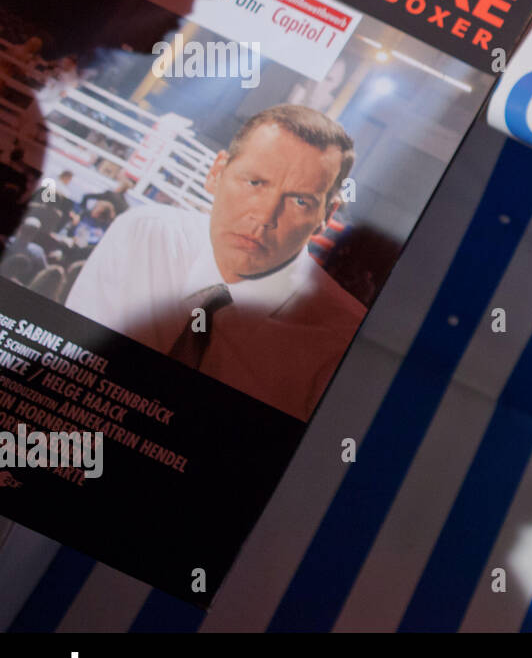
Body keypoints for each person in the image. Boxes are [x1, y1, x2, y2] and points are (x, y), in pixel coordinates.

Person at [65, 104, 366, 422]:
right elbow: (68, 380)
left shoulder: (343, 342)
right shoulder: (144, 235)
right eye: (254, 183)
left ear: (326, 217)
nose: (263, 217)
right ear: (215, 173)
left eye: (300, 201)